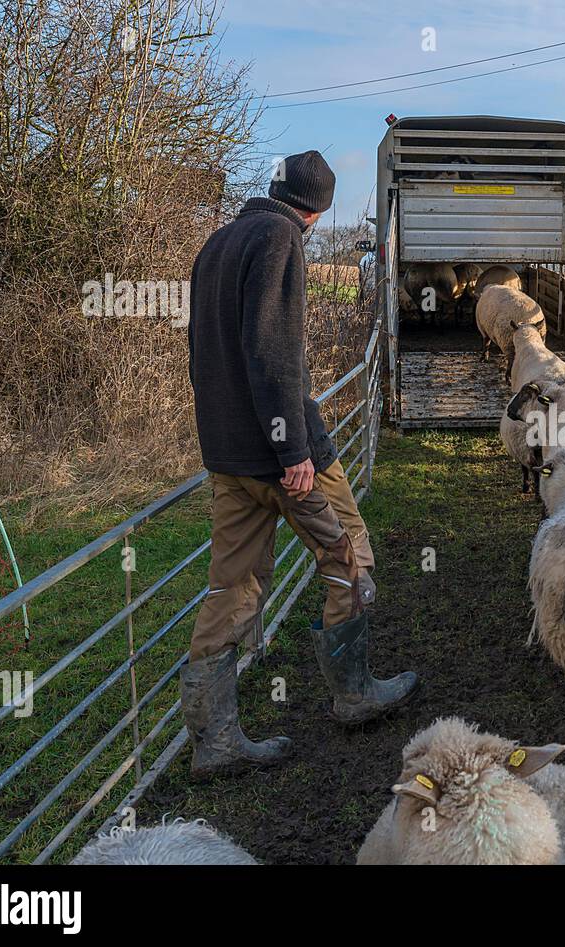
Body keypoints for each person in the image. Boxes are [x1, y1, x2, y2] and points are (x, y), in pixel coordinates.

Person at [180, 150, 418, 778]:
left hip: (230, 457)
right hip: (283, 454)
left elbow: (202, 353)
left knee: (231, 586)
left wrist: (229, 442)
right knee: (346, 553)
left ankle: (215, 741)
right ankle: (354, 693)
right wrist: (292, 451)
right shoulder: (281, 238)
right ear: (316, 211)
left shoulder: (220, 242)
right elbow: (272, 351)